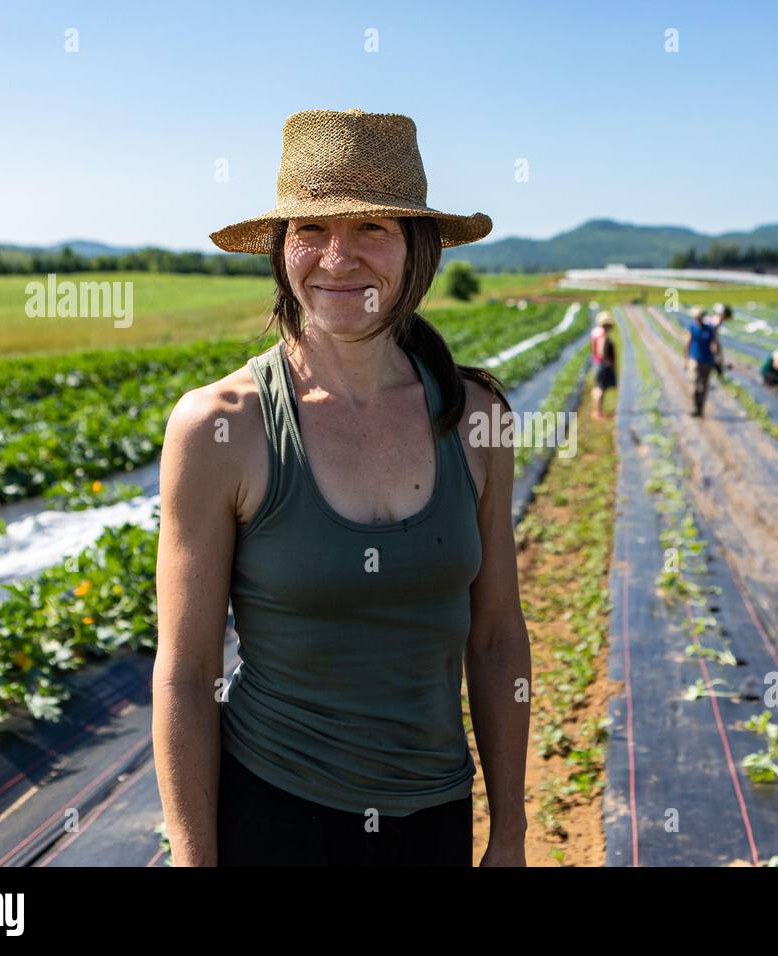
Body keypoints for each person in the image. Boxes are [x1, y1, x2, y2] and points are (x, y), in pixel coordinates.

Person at [154, 109, 530, 867]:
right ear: (279, 247)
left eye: (372, 230)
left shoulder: (477, 418)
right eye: (311, 230)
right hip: (274, 816)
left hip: (435, 816)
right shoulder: (220, 427)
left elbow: (495, 638)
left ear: (418, 249)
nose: (338, 258)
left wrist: (512, 835)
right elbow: (188, 675)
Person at [683, 308, 721, 417]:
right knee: (695, 385)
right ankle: (695, 406)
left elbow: (715, 343)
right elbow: (687, 344)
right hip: (695, 360)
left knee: (704, 386)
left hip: (707, 361)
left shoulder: (709, 329)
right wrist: (685, 360)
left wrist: (716, 355)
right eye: (697, 317)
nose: (698, 319)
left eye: (700, 317)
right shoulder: (692, 328)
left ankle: (700, 409)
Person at [591, 311, 617, 419]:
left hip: (598, 363)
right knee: (601, 388)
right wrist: (608, 361)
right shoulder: (602, 334)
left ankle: (597, 411)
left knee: (599, 387)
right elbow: (601, 350)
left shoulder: (596, 332)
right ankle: (598, 412)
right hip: (602, 364)